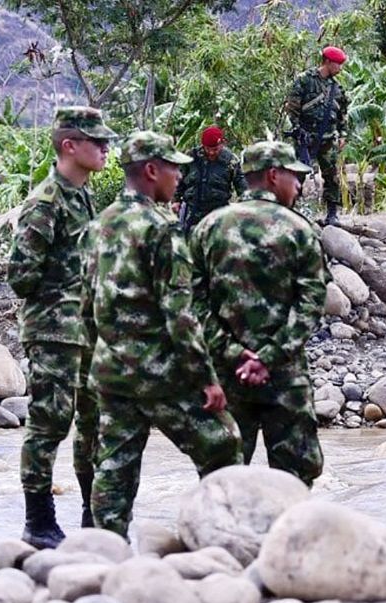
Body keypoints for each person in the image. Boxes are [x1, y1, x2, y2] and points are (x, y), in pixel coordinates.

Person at [80, 131, 242, 537]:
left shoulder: (99, 224)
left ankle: (105, 549)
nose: (180, 177)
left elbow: (86, 303)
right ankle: (221, 538)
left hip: (111, 369)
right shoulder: (162, 229)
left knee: (114, 466)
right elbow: (180, 313)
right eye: (174, 169)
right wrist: (206, 378)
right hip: (159, 371)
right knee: (222, 444)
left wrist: (93, 362)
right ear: (151, 171)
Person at [6, 106, 117, 548]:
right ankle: (39, 522)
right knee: (50, 421)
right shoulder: (46, 202)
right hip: (53, 330)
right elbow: (21, 275)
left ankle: (92, 516)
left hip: (86, 329)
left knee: (92, 421)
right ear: (70, 145)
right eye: (97, 141)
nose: (106, 148)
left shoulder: (83, 196)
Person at [190, 141, 327, 486]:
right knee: (295, 479)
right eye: (294, 176)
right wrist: (268, 357)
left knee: (221, 478)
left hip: (227, 374)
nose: (298, 185)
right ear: (272, 175)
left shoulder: (208, 227)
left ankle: (219, 540)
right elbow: (311, 302)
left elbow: (191, 302)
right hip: (284, 374)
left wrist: (235, 354)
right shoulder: (300, 230)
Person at [286, 46, 350, 226]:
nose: (340, 68)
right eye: (338, 64)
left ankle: (332, 214)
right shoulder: (305, 80)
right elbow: (292, 108)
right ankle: (290, 209)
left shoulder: (337, 88)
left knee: (331, 176)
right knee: (297, 174)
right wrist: (297, 129)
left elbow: (343, 114)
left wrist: (343, 134)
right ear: (328, 62)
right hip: (306, 137)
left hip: (328, 138)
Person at [172, 126, 245, 233]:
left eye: (215, 149)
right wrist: (176, 200)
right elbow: (178, 180)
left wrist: (247, 205)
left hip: (219, 213)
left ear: (222, 144)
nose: (211, 152)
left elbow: (241, 183)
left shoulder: (231, 161)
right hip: (192, 213)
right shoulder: (191, 157)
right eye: (208, 149)